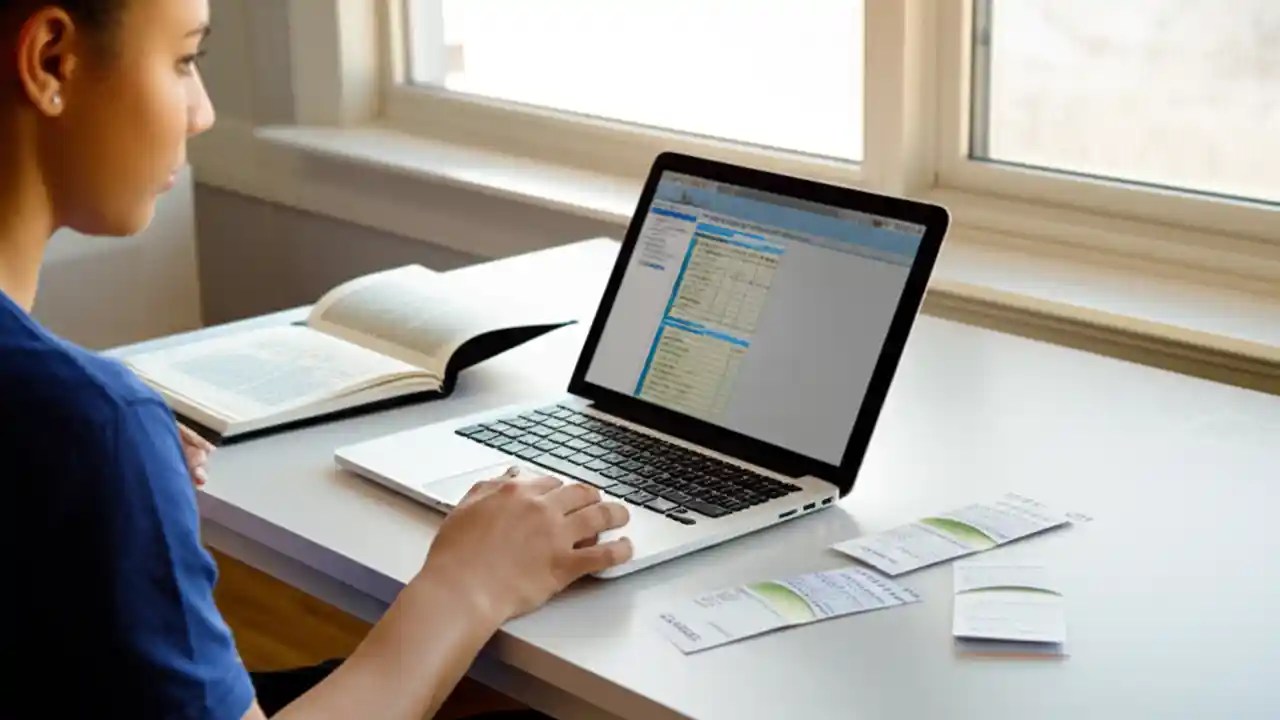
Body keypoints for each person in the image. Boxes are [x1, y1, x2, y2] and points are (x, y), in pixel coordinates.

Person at [0, 0, 634, 717]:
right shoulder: (95, 424)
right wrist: (467, 583)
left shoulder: (75, 421)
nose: (202, 112)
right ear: (52, 60)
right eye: (183, 61)